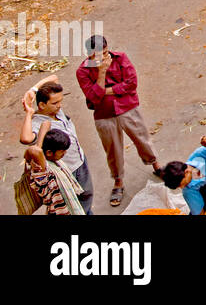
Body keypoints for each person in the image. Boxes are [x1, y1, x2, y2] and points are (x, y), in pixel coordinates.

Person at [75, 35, 163, 207]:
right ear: (89, 55)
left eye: (105, 53)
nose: (104, 58)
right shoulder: (83, 71)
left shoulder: (120, 58)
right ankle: (118, 181)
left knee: (142, 139)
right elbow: (93, 98)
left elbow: (131, 83)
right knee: (113, 150)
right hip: (104, 115)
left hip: (127, 107)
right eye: (98, 56)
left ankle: (156, 165)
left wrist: (105, 90)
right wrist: (101, 73)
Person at [20, 79, 92, 213]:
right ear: (41, 105)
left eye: (60, 101)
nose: (59, 106)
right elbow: (25, 139)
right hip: (67, 171)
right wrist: (29, 113)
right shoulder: (37, 124)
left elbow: (54, 78)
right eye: (55, 103)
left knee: (87, 197)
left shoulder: (56, 112)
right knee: (76, 207)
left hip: (80, 161)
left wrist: (32, 90)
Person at [23, 129, 84, 215]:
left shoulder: (55, 162)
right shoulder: (41, 170)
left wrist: (39, 146)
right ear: (49, 153)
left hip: (65, 206)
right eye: (62, 151)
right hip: (59, 211)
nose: (65, 153)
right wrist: (31, 155)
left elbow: (46, 123)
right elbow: (35, 151)